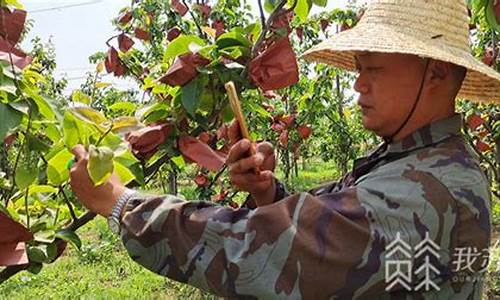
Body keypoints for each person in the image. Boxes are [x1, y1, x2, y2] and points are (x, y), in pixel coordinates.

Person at [69, 0, 500, 298]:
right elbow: (338, 220)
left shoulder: (426, 191)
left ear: (437, 74)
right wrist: (268, 192)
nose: (358, 83)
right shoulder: (413, 161)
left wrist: (122, 204)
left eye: (374, 68)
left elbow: (264, 249)